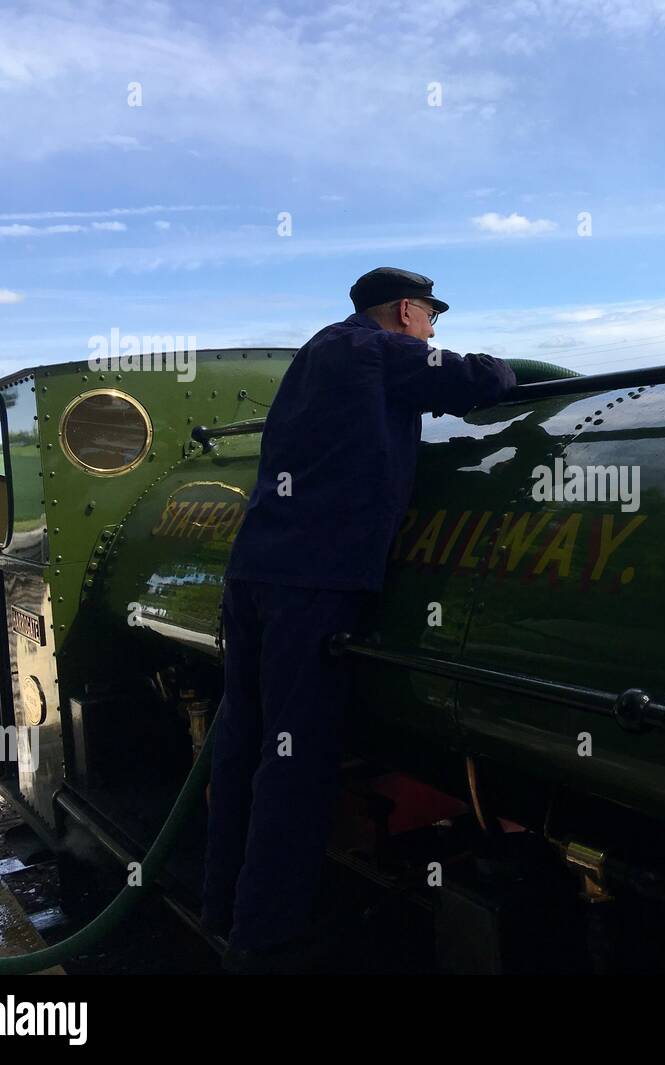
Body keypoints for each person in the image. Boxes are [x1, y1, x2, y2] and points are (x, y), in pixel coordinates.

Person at [200, 267, 517, 972]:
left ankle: (219, 901)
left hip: (253, 570)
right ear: (406, 311)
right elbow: (479, 379)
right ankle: (265, 937)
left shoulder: (315, 353)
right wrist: (500, 369)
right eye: (431, 317)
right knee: (295, 758)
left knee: (242, 742)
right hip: (312, 584)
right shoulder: (377, 350)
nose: (434, 328)